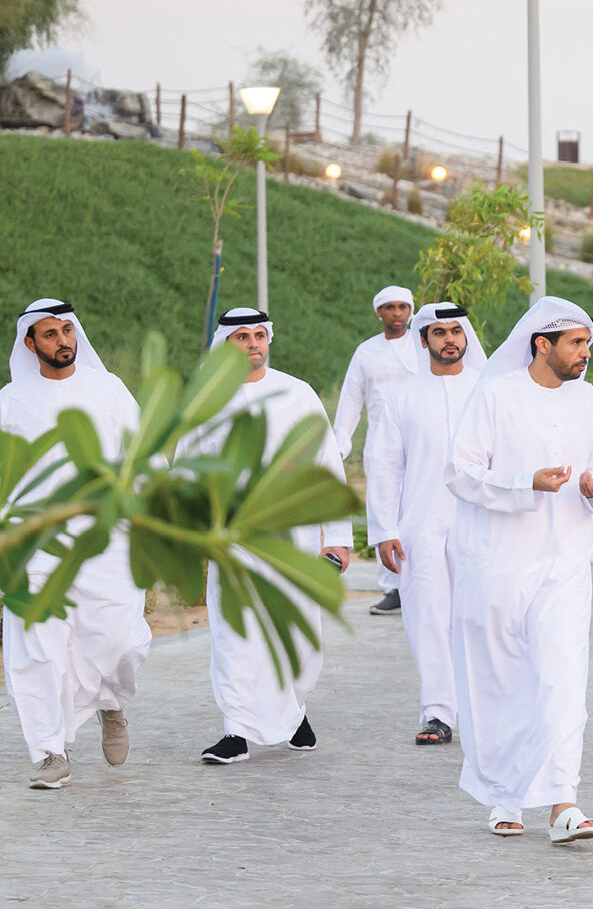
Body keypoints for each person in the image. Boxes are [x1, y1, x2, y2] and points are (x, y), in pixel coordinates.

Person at [0, 300, 151, 790]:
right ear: (30, 343)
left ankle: (112, 704)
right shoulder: (10, 400)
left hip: (107, 539)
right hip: (35, 545)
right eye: (50, 334)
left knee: (120, 641)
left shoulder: (109, 389)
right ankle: (50, 751)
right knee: (36, 648)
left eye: (67, 331)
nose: (63, 341)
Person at [445, 297, 593, 843]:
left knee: (563, 677)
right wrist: (527, 482)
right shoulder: (496, 393)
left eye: (587, 343)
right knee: (501, 680)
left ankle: (564, 801)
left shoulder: (587, 399)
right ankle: (504, 796)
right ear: (542, 344)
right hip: (497, 562)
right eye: (576, 343)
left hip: (564, 560)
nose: (585, 353)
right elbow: (460, 473)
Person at [189, 308, 355, 765]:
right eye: (241, 337)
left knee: (298, 634)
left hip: (292, 533)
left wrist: (338, 536)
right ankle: (235, 731)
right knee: (232, 633)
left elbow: (326, 465)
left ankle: (294, 710)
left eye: (259, 335)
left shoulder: (296, 393)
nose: (252, 344)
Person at [364, 302, 487, 746]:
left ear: (466, 338)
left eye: (456, 331)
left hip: (482, 524)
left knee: (480, 618)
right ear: (424, 341)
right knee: (428, 619)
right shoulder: (402, 396)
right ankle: (438, 712)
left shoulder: (487, 389)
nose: (450, 339)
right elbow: (383, 467)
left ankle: (482, 710)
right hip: (420, 524)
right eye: (439, 333)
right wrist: (383, 530)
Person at [334, 285, 418, 615]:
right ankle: (393, 587)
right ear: (379, 313)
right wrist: (339, 443)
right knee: (384, 509)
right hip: (381, 443)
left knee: (422, 507)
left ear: (411, 311)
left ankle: (427, 582)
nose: (397, 313)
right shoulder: (366, 352)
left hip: (422, 439)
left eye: (402, 307)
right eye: (390, 307)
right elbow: (352, 400)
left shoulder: (423, 345)